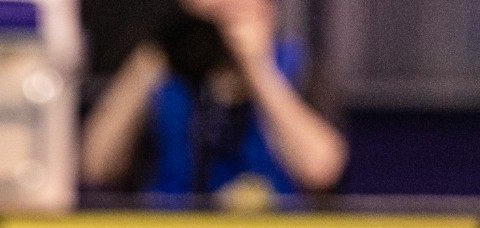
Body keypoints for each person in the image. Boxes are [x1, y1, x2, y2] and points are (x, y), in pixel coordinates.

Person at [80, 0, 348, 204]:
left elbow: (322, 170)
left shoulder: (296, 70)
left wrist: (258, 69)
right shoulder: (162, 77)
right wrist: (151, 61)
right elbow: (96, 166)